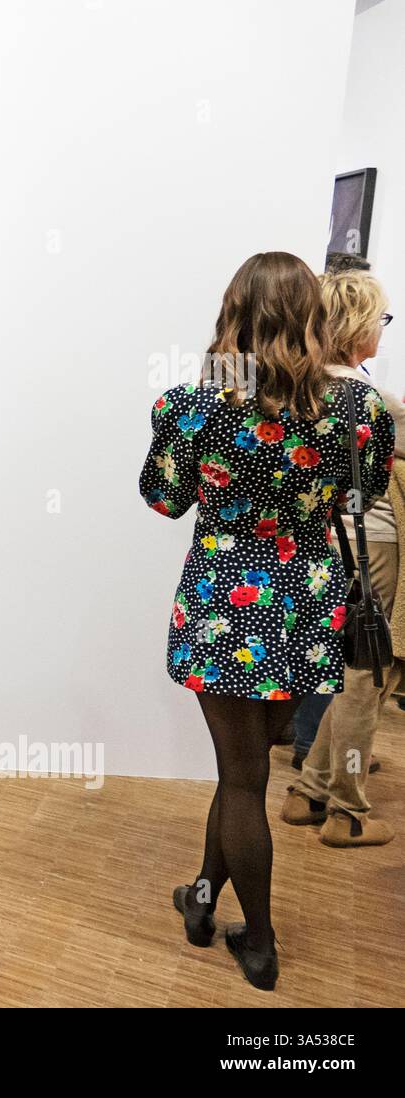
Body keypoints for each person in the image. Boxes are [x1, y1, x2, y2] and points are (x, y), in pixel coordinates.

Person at [139, 252, 395, 991]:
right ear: (313, 318)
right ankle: (203, 895)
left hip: (223, 601)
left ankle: (260, 938)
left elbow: (162, 497)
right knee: (247, 771)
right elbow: (364, 489)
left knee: (242, 777)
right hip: (308, 601)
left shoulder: (195, 404)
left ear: (233, 316)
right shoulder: (358, 410)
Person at [282, 269, 401, 846]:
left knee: (346, 669)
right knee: (367, 674)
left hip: (317, 543)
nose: (381, 330)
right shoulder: (371, 398)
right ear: (357, 325)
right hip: (368, 540)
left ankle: (308, 790)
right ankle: (347, 811)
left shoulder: (296, 390)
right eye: (380, 319)